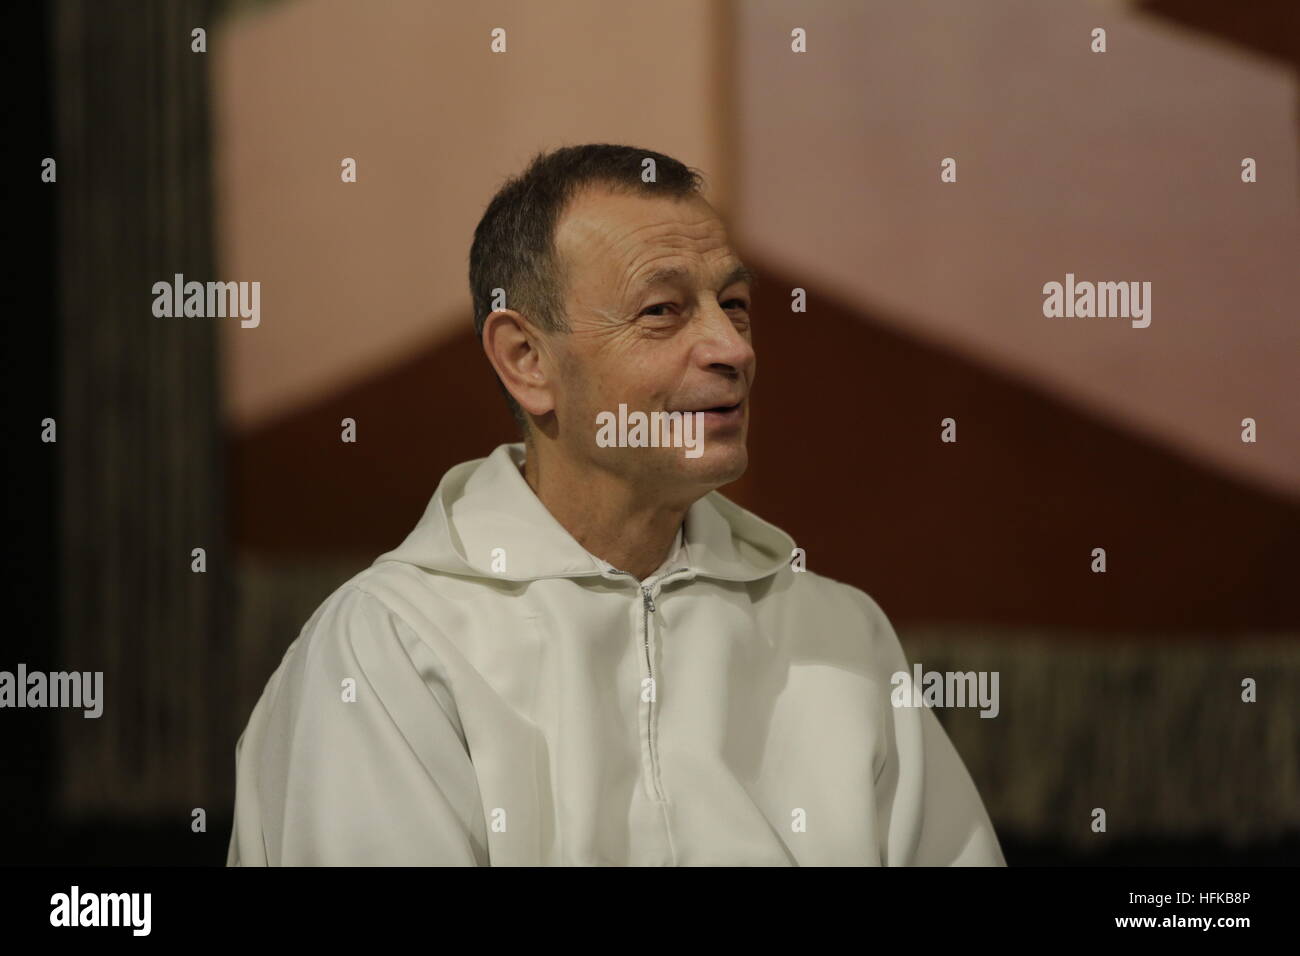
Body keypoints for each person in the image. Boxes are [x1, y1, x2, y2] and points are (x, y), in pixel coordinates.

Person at [227, 143, 1005, 866]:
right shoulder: (392, 645)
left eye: (733, 304)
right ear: (526, 360)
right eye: (662, 311)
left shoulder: (839, 635)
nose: (732, 348)